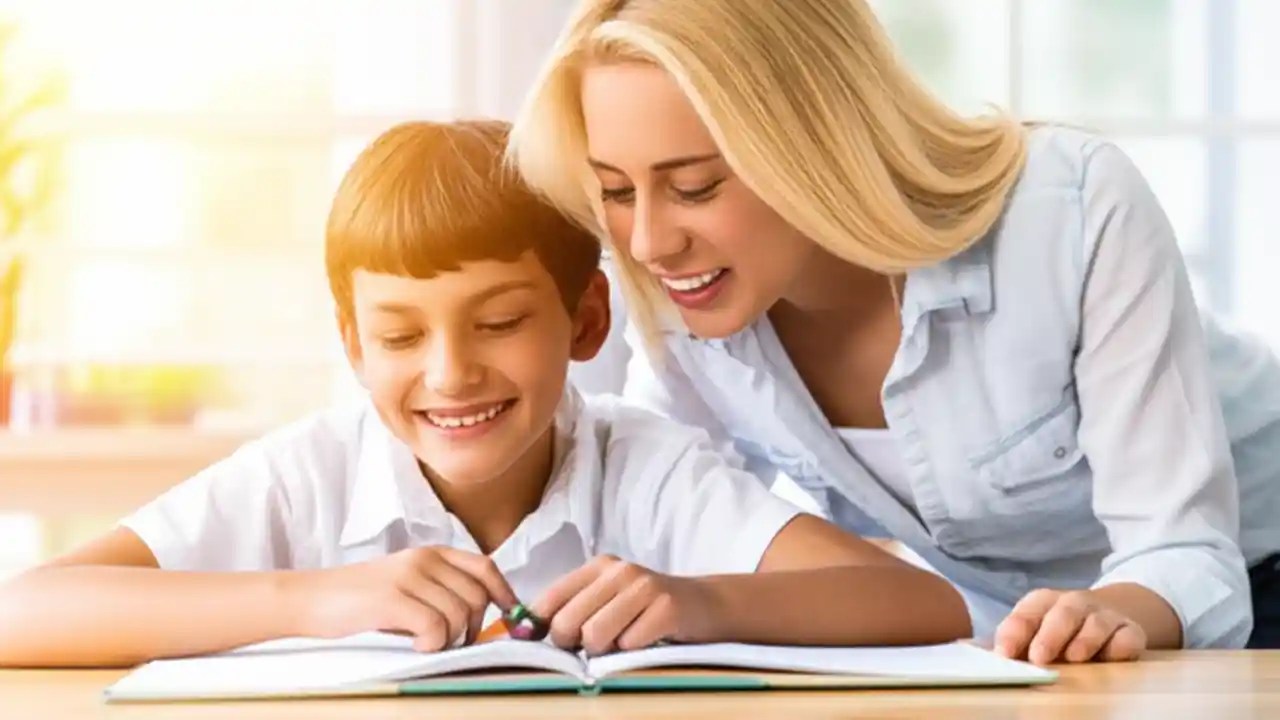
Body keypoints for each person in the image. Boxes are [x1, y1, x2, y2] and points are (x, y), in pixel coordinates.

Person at [0, 120, 969, 668]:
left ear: (585, 322)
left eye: (499, 323)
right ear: (352, 346)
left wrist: (701, 601)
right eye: (398, 335)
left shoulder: (645, 466)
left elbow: (918, 604)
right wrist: (313, 600)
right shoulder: (309, 473)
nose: (450, 372)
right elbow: (23, 616)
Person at [508, 0, 1280, 661]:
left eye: (695, 186)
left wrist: (1113, 612)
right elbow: (634, 516)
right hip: (1028, 649)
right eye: (614, 190)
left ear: (816, 140)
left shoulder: (1071, 209)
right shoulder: (691, 310)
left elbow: (1188, 554)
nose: (647, 244)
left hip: (1241, 588)